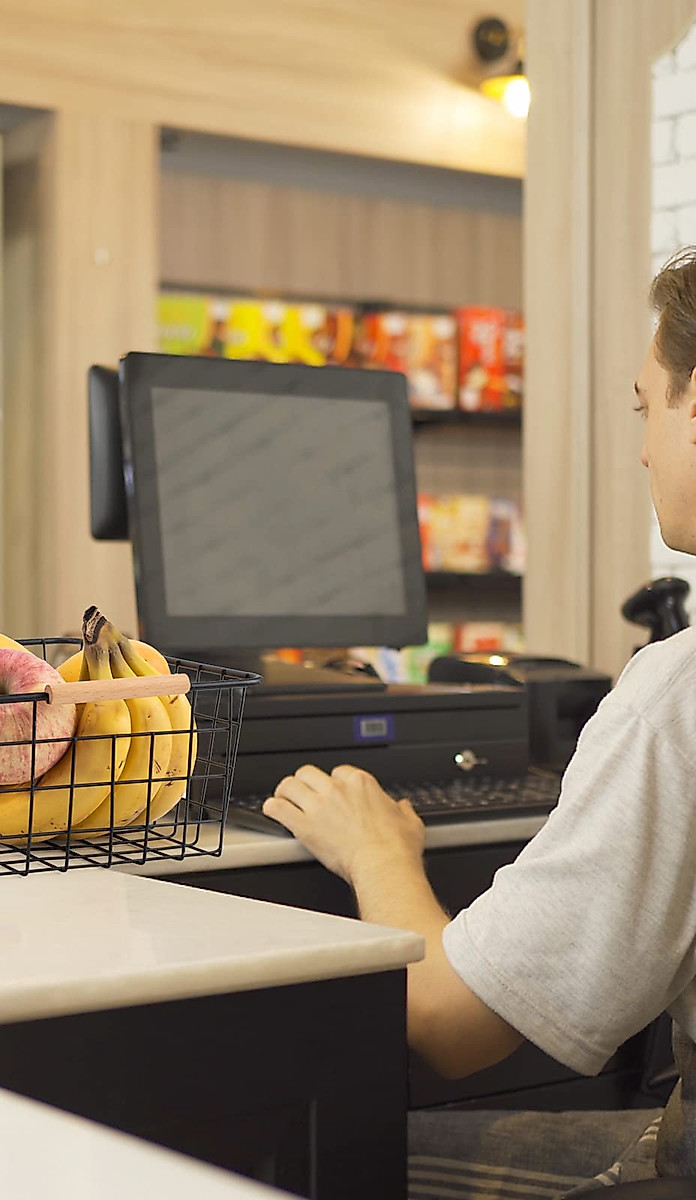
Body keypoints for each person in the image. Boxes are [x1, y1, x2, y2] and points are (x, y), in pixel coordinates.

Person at [263, 249, 696, 1198]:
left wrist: (378, 854)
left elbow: (449, 1025)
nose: (640, 449)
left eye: (646, 407)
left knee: (304, 1154)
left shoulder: (680, 693)